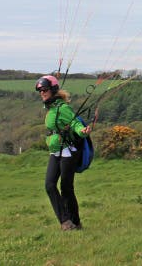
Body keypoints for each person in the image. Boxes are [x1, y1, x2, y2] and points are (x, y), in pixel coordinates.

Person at [37, 75, 91, 230]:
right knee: (49, 185)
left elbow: (75, 123)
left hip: (68, 151)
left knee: (66, 188)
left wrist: (82, 131)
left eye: (45, 90)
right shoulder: (51, 107)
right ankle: (65, 221)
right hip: (55, 151)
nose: (42, 93)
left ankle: (75, 223)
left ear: (53, 90)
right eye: (40, 90)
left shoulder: (63, 108)